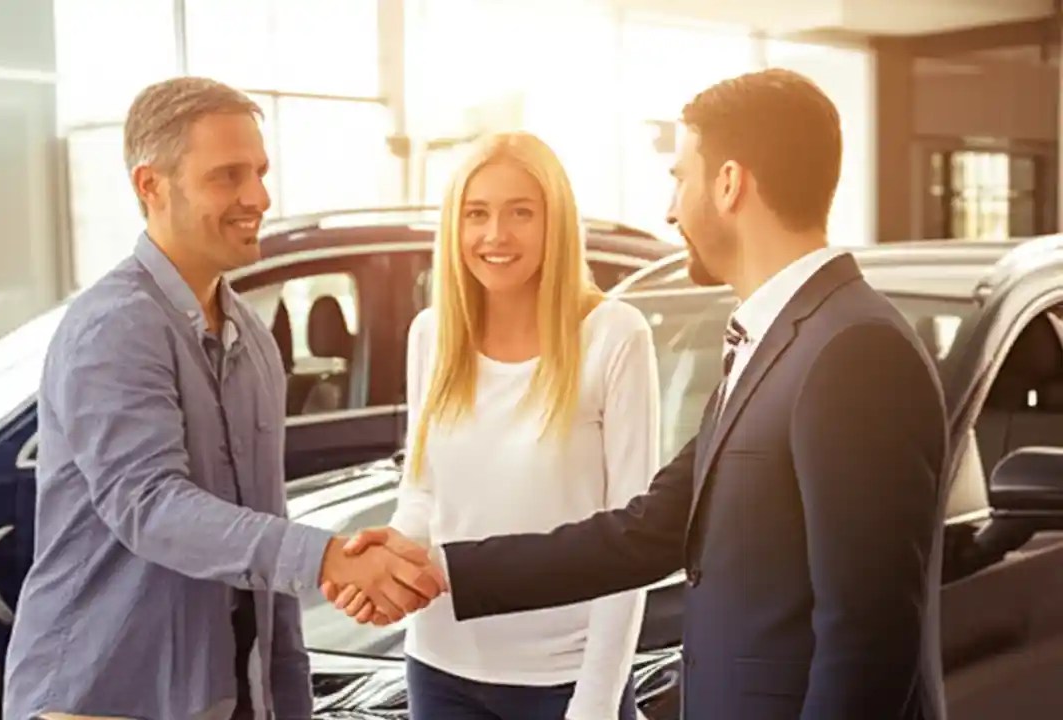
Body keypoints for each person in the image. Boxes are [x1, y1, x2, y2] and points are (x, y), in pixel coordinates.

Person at [330, 69, 950, 720]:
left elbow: (869, 643)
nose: (670, 209)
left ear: (731, 183)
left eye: (680, 177)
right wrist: (439, 568)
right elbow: (646, 532)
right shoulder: (777, 339)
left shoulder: (854, 352)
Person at [2, 76, 443, 720]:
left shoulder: (251, 335)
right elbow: (151, 505)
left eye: (260, 172)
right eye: (228, 176)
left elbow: (261, 529)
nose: (258, 197)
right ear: (150, 186)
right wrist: (327, 559)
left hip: (223, 694)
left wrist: (286, 698)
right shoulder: (117, 326)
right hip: (103, 698)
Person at [330, 132, 659, 719]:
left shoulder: (615, 335)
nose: (495, 235)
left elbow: (631, 541)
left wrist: (599, 699)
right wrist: (389, 567)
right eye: (476, 214)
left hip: (567, 679)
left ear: (555, 222)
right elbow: (424, 494)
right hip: (440, 670)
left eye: (521, 213)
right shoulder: (431, 334)